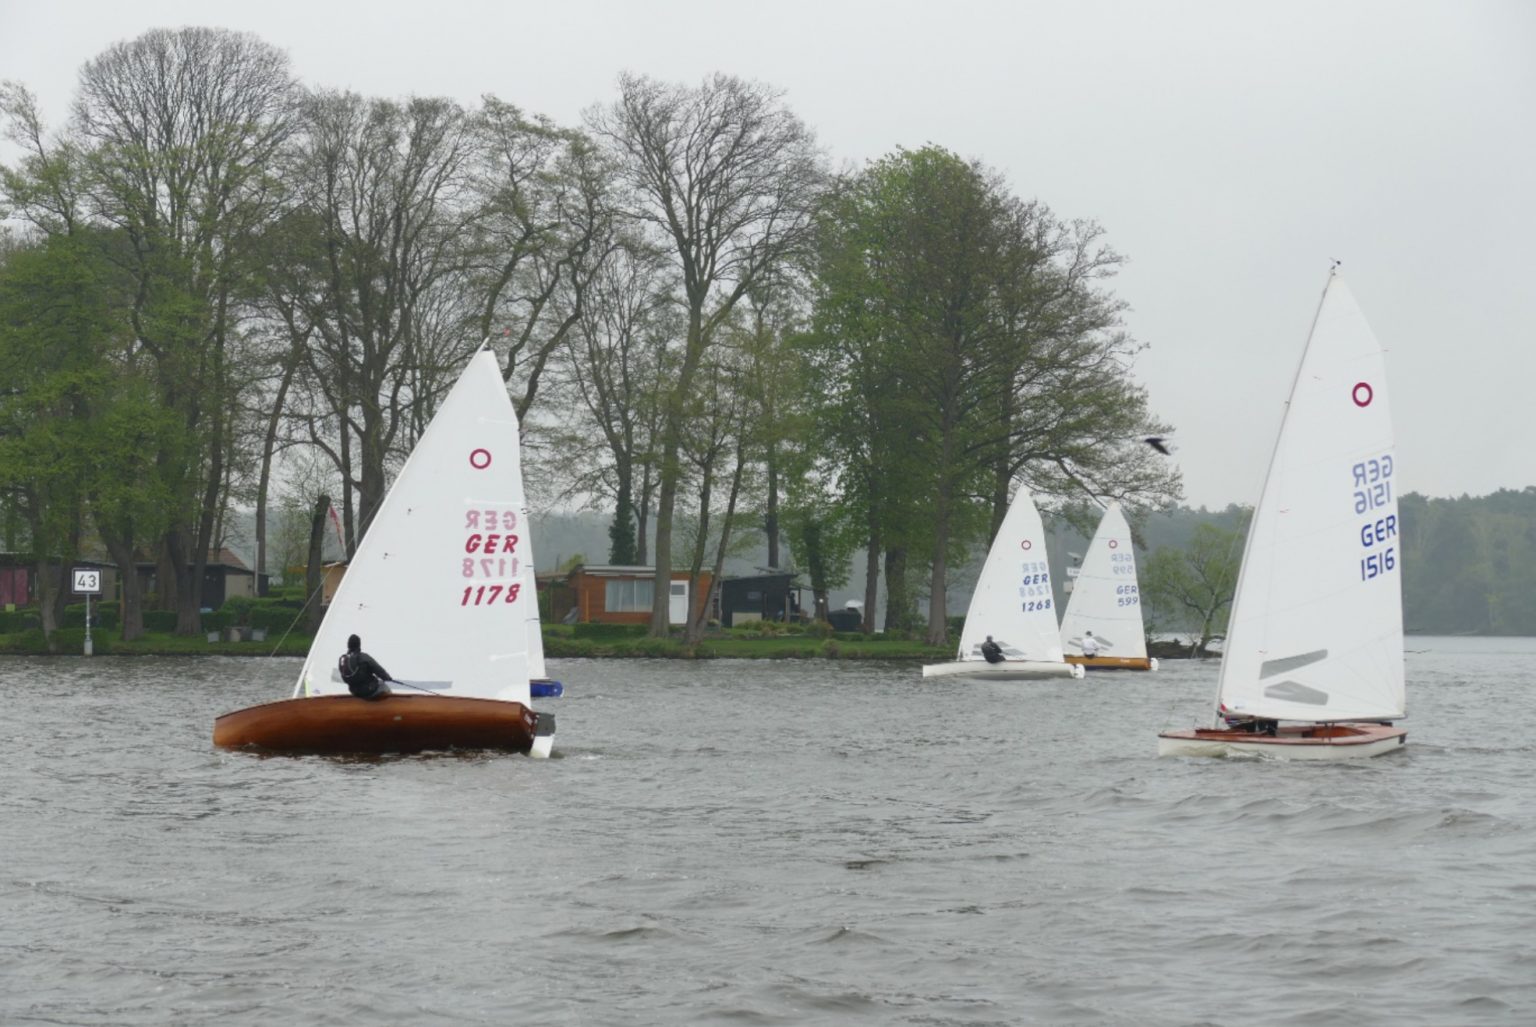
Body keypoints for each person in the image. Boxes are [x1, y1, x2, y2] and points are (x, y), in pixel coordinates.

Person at [338, 633, 393, 699]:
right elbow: (378, 670)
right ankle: (387, 707)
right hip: (369, 690)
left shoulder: (343, 659)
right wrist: (387, 678)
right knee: (385, 687)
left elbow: (344, 678)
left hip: (354, 691)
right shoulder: (363, 657)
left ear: (348, 645)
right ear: (359, 644)